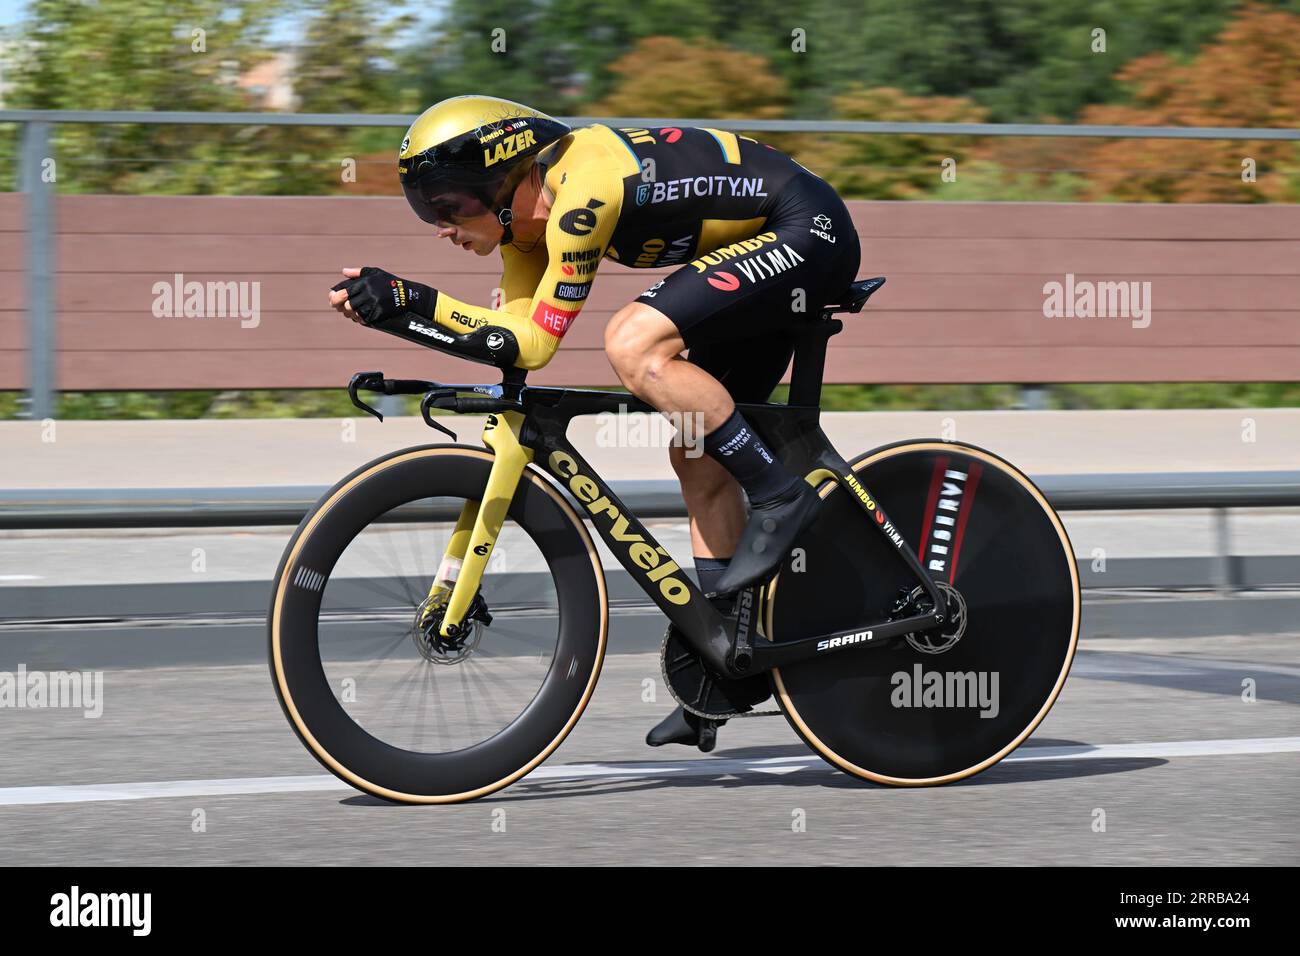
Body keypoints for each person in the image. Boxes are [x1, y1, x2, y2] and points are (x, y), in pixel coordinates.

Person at [330, 95, 860, 752]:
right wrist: (401, 315)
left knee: (633, 342)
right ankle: (725, 669)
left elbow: (537, 344)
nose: (440, 225)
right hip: (763, 248)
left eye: (449, 205)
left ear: (503, 179)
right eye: (426, 212)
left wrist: (416, 301)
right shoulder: (526, 234)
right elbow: (513, 340)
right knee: (697, 455)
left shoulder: (581, 191)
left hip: (807, 230)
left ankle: (782, 497)